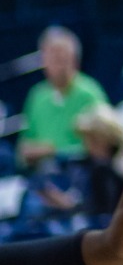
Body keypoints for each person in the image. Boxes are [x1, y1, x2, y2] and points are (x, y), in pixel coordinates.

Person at [19, 26, 109, 168]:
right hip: (42, 174)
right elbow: (25, 144)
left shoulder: (90, 93)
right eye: (50, 56)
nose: (56, 62)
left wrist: (54, 152)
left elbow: (103, 146)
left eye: (61, 56)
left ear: (74, 59)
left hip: (81, 171)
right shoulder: (37, 95)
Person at [34, 105, 123, 219]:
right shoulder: (83, 165)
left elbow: (105, 211)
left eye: (93, 138)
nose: (88, 144)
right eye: (86, 138)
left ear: (106, 139)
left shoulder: (118, 170)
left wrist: (70, 205)